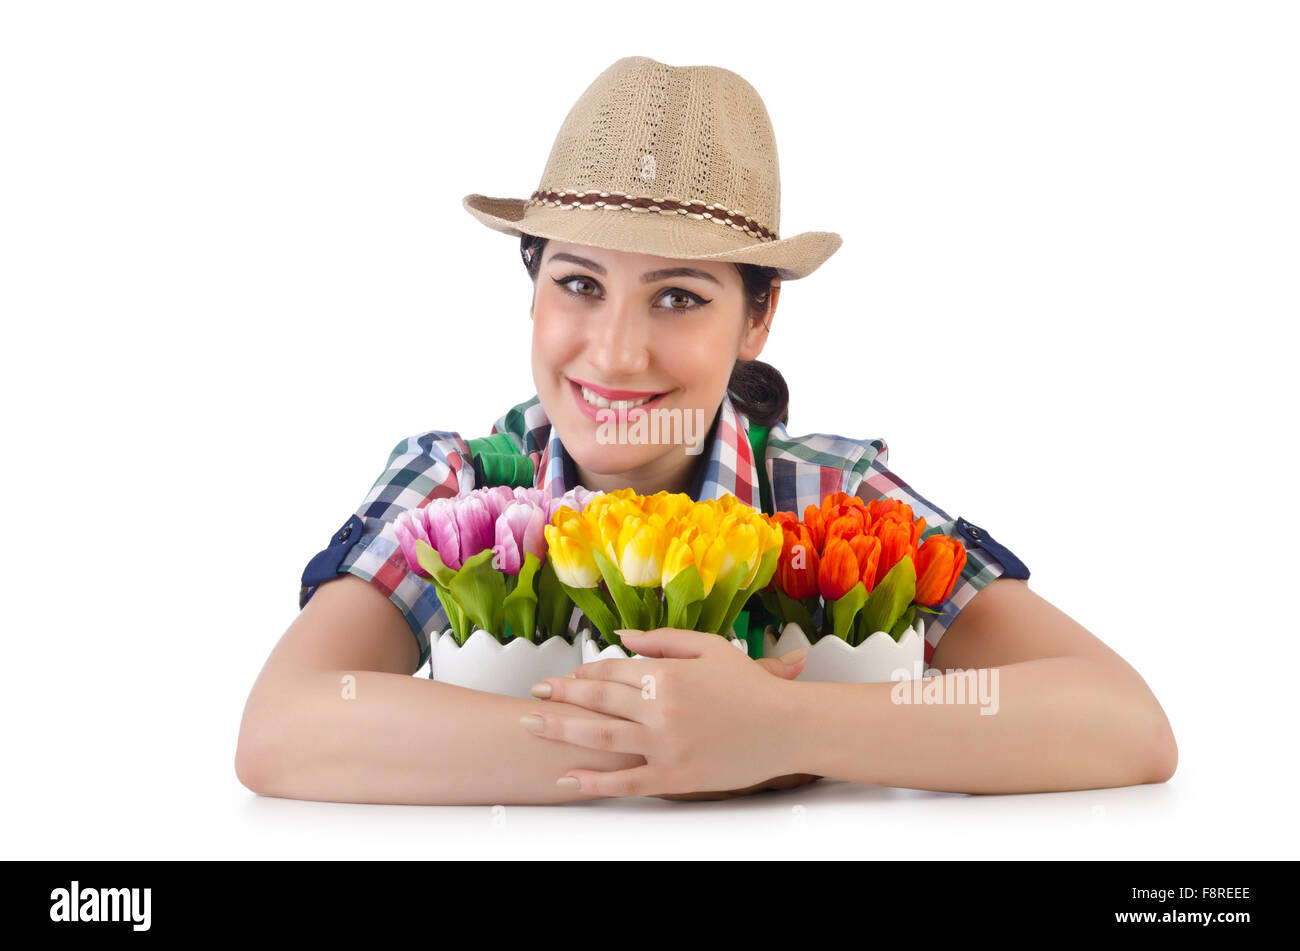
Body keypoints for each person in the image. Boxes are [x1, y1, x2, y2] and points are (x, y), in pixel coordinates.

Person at [235, 56, 1177, 804]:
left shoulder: (831, 495)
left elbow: (1120, 719)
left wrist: (788, 727)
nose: (616, 351)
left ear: (757, 320)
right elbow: (287, 726)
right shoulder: (459, 486)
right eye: (578, 282)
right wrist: (668, 746)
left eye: (678, 296)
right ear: (532, 291)